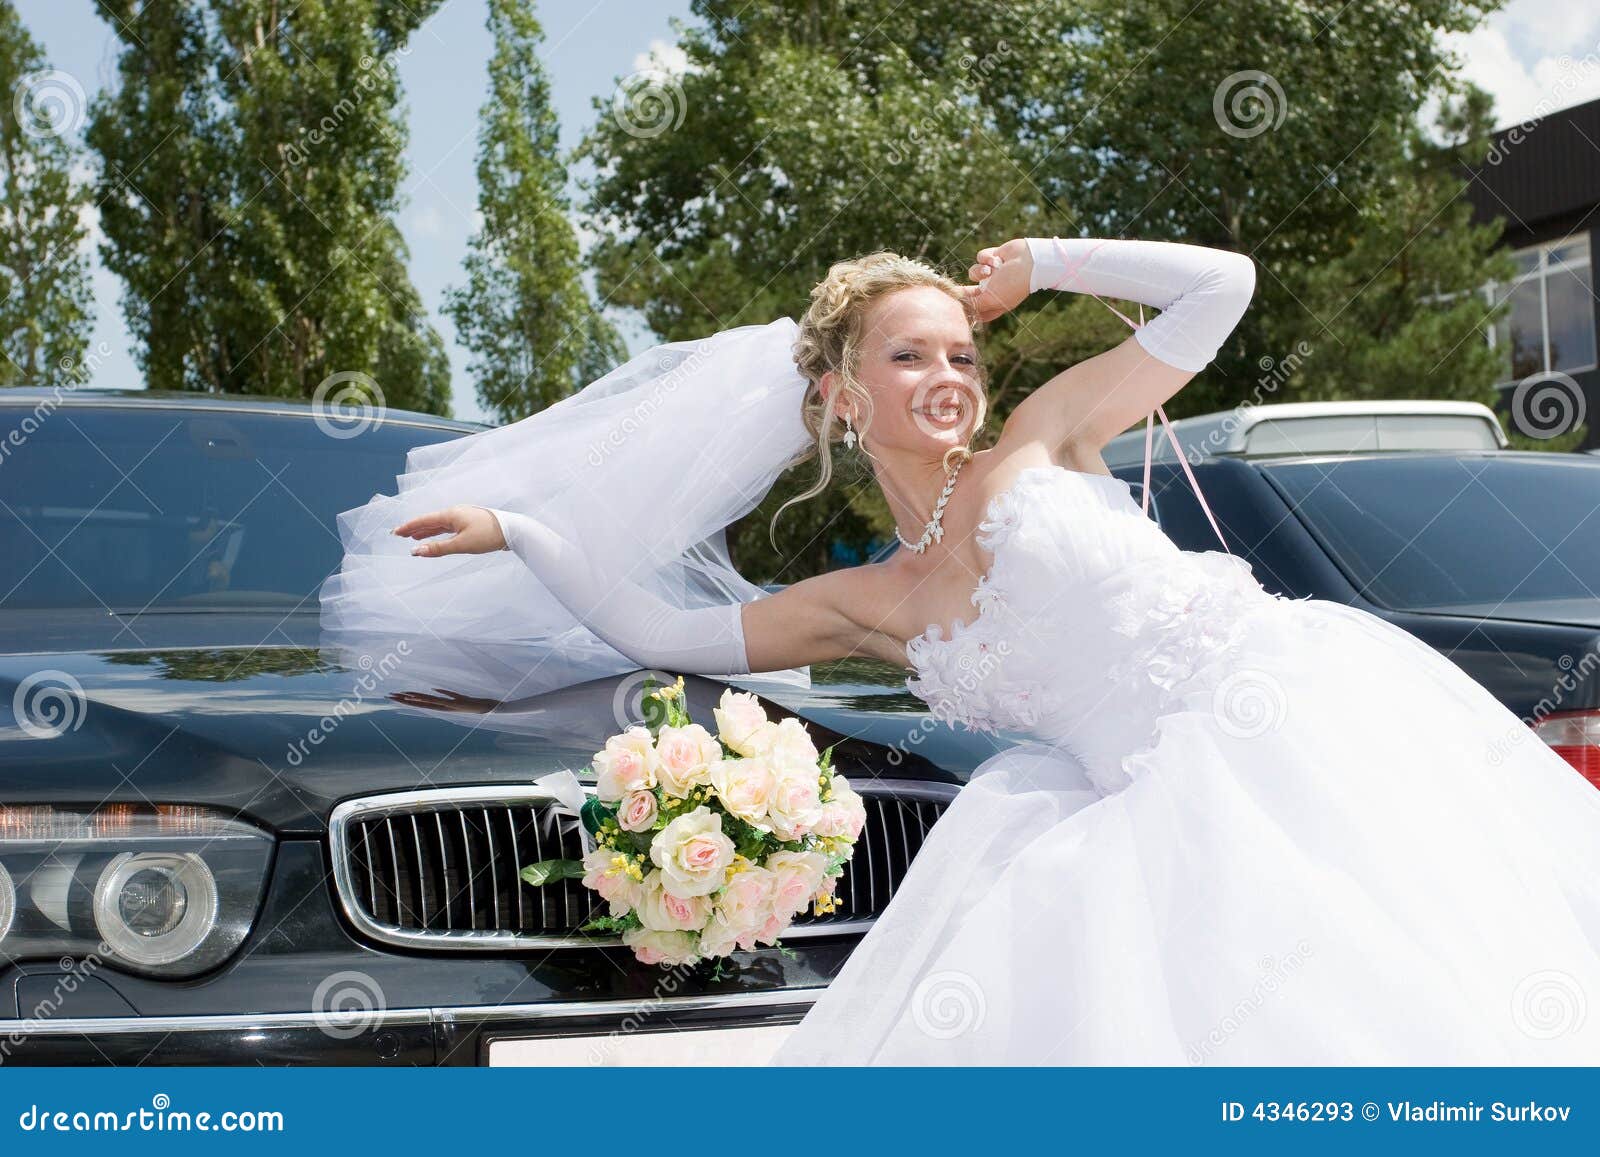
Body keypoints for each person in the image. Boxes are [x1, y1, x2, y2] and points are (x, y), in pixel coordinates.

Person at [359, 236, 1600, 1064]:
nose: (949, 374)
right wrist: (524, 529)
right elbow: (660, 630)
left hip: (1301, 722)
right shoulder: (866, 598)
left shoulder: (1046, 439)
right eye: (910, 355)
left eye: (961, 350)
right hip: (1140, 806)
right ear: (845, 395)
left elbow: (1221, 284)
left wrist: (1046, 264)